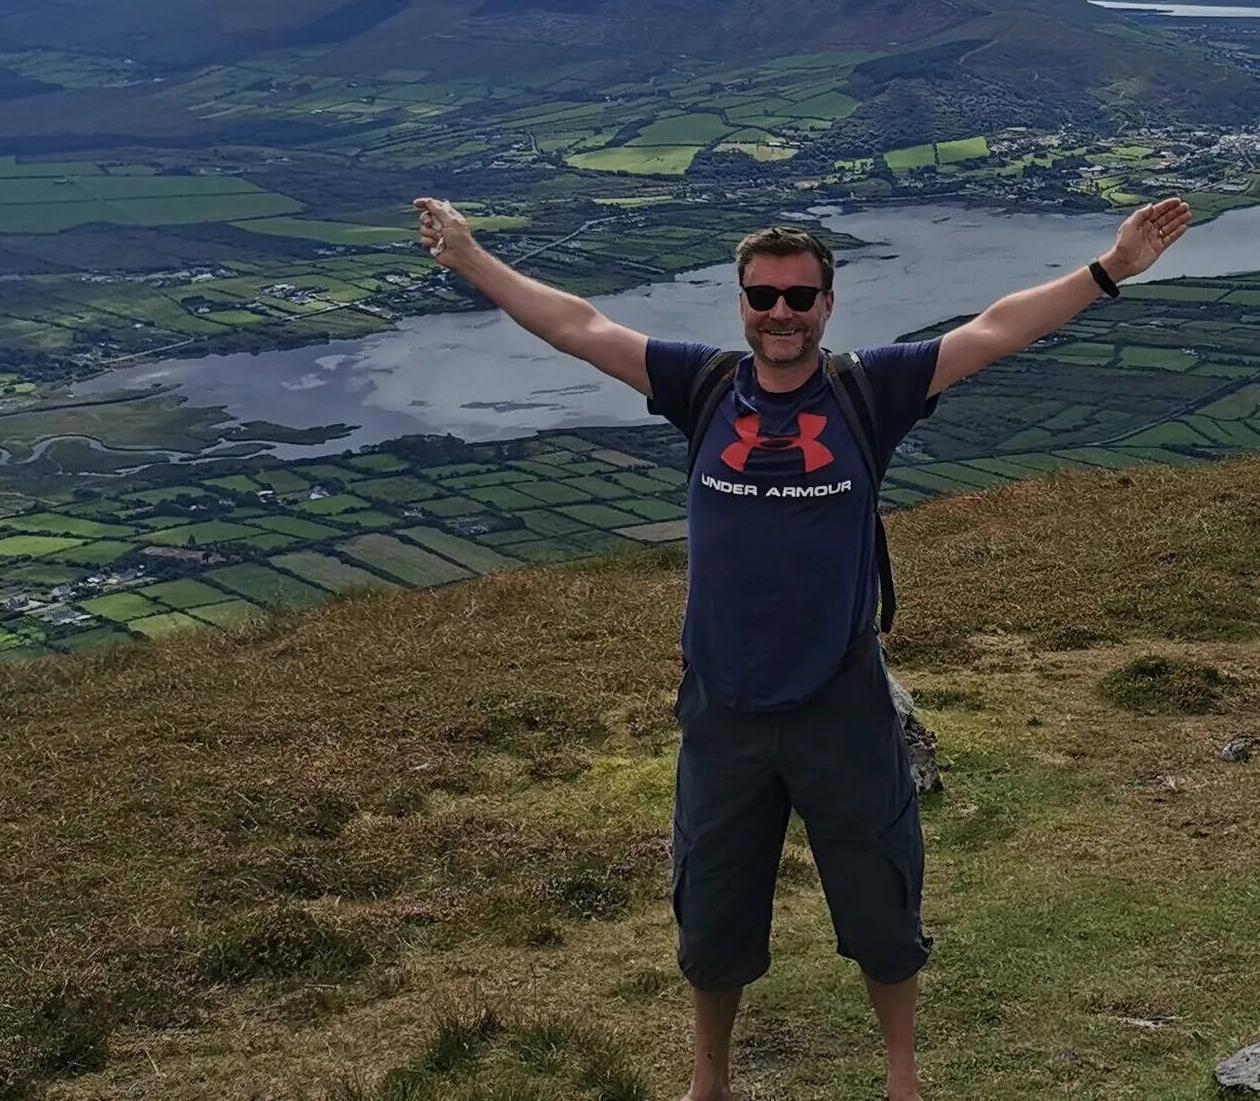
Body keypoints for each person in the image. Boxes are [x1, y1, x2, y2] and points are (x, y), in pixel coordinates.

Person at [411, 193, 1193, 1101]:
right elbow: (577, 326)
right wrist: (469, 257)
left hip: (842, 700)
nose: (780, 313)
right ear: (741, 302)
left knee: (881, 902)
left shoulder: (871, 389)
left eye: (798, 295)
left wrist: (1110, 268)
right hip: (723, 708)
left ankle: (902, 1079)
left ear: (828, 302)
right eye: (763, 296)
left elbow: (993, 329)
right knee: (711, 910)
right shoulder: (700, 385)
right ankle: (710, 1082)